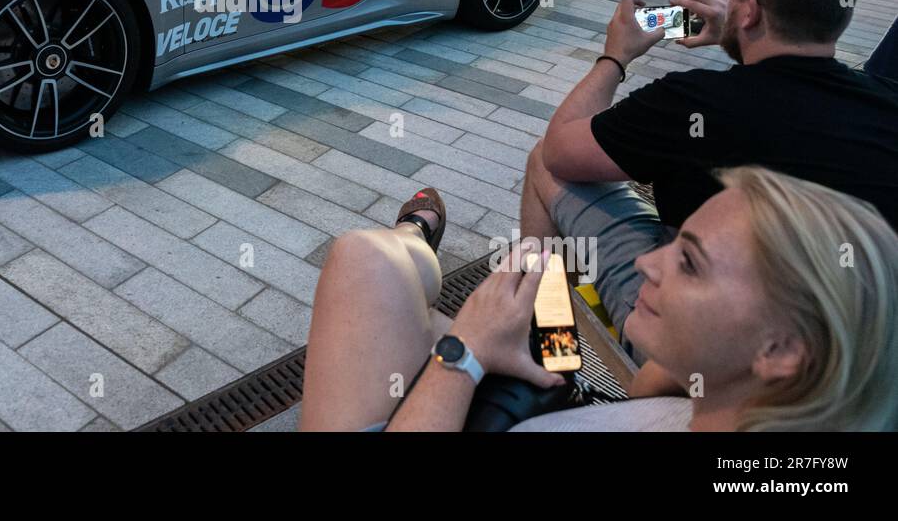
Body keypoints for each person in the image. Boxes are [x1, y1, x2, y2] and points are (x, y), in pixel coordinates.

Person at [519, 0, 898, 365]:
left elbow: (562, 151)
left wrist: (615, 56)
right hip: (841, 356)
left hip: (704, 349)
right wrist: (740, 34)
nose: (725, 3)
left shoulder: (693, 103)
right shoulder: (886, 103)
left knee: (543, 163)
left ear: (751, 11)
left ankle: (552, 350)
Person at [300, 165, 898, 431]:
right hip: (554, 399)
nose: (645, 262)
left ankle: (414, 239)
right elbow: (643, 392)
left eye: (688, 263)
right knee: (376, 268)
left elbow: (561, 151)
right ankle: (414, 250)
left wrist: (465, 354)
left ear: (782, 351)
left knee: (369, 266)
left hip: (474, 401)